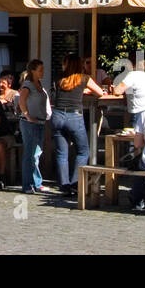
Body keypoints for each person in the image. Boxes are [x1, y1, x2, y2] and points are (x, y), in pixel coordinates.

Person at [50, 55, 107, 195]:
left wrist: (82, 90)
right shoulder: (84, 78)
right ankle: (76, 183)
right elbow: (100, 92)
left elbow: (62, 90)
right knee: (83, 151)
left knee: (61, 153)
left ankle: (64, 186)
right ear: (79, 65)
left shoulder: (59, 78)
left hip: (57, 115)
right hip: (74, 116)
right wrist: (85, 90)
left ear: (67, 64)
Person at [18, 59, 53, 194]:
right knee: (29, 154)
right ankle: (27, 184)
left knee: (36, 154)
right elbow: (22, 101)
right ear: (33, 71)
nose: (42, 72)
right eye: (40, 70)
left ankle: (36, 182)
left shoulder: (39, 84)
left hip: (39, 122)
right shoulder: (28, 85)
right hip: (30, 123)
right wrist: (27, 116)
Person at [115, 60, 145, 126]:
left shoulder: (132, 75)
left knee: (135, 135)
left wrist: (114, 87)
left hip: (138, 113)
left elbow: (117, 91)